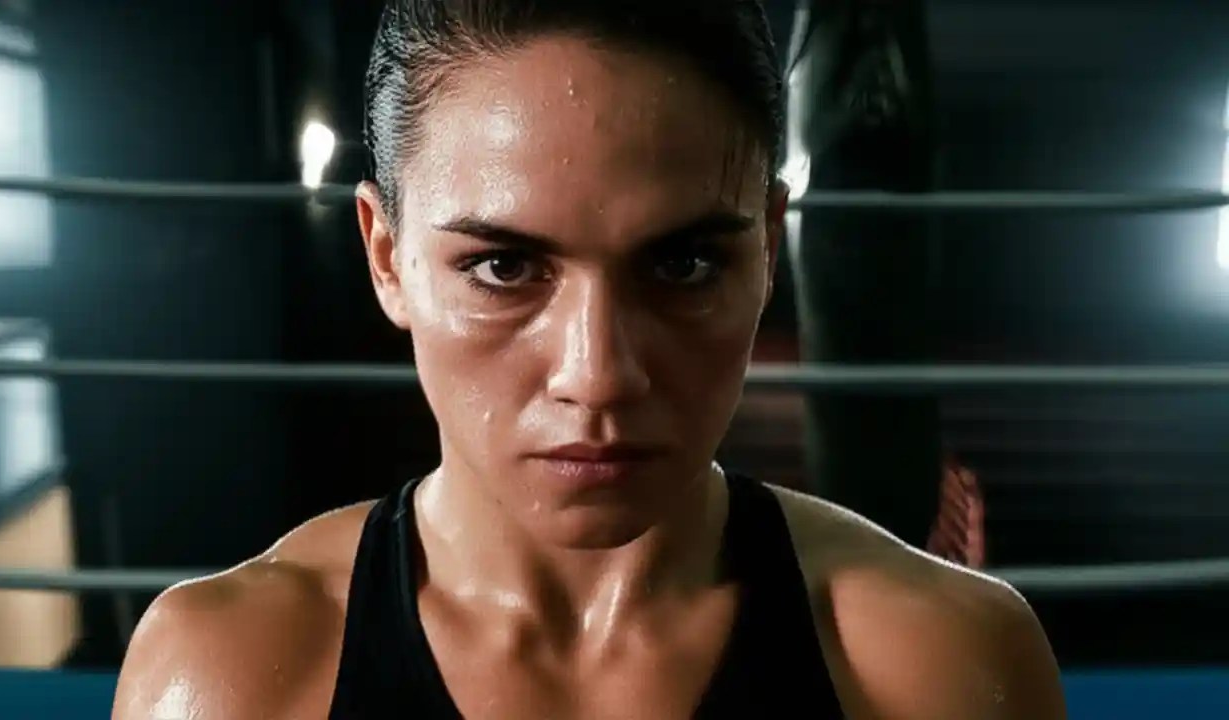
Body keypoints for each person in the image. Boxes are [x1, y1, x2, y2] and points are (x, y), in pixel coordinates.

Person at [112, 1, 1065, 717]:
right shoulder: (227, 679)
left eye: (683, 263)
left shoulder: (943, 667)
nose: (598, 375)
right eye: (503, 267)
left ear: (768, 249)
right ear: (387, 257)